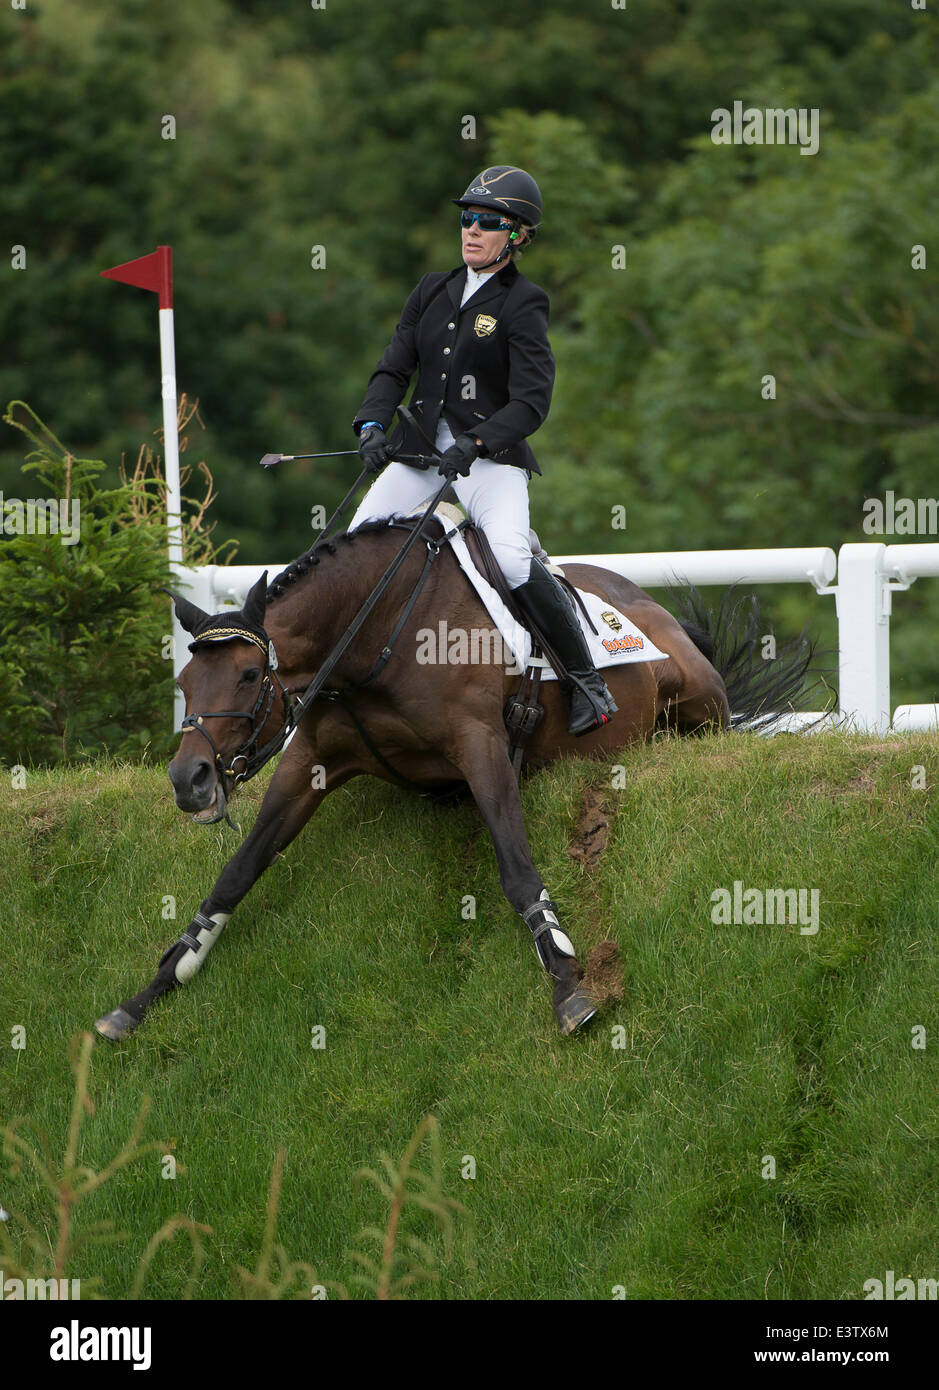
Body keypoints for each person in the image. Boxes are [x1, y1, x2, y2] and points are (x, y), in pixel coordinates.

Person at [348, 165, 617, 736]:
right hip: (420, 457)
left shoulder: (525, 303)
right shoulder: (431, 290)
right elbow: (394, 367)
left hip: (487, 465)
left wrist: (475, 441)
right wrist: (372, 424)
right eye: (466, 217)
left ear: (516, 236)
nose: (471, 230)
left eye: (487, 222)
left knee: (514, 561)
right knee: (355, 548)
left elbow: (531, 402)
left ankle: (584, 681)